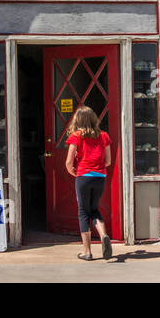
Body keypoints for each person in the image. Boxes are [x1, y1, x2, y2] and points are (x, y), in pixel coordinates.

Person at [65, 106, 112, 261]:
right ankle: (104, 235)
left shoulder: (76, 136)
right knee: (94, 209)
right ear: (93, 119)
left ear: (77, 120)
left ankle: (87, 252)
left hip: (83, 177)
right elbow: (108, 161)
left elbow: (68, 162)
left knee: (83, 212)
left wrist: (76, 173)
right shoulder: (104, 135)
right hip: (100, 177)